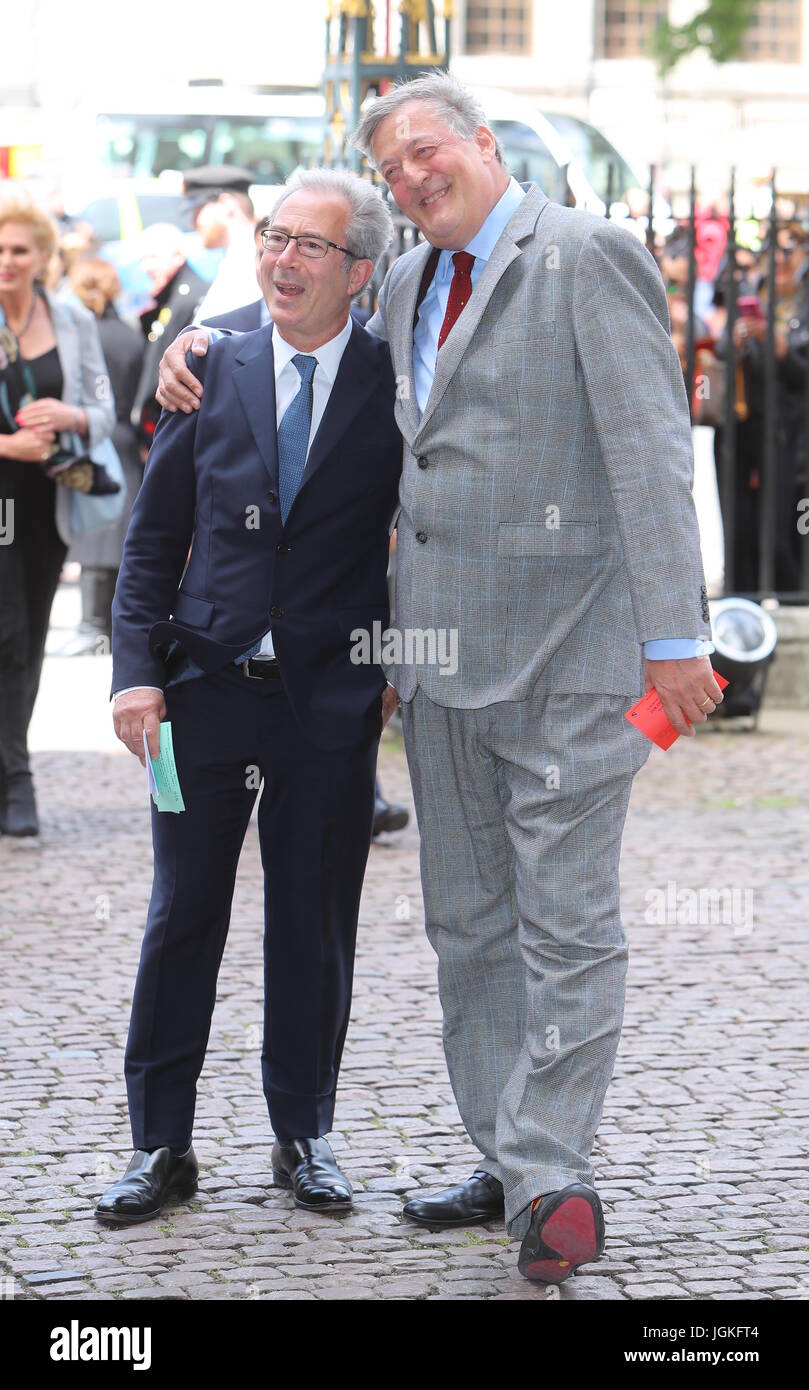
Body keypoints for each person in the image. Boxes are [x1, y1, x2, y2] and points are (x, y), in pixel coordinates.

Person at [157, 73, 725, 1285]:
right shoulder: (404, 277)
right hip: (431, 666)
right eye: (392, 168)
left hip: (574, 659)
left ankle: (552, 1172)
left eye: (427, 151)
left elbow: (645, 453)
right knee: (466, 926)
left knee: (563, 922)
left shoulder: (588, 254)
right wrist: (187, 344)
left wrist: (673, 641)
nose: (412, 177)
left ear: (480, 143)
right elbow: (289, 341)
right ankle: (505, 1153)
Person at [95, 168, 403, 1226]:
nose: (280, 259)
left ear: (358, 271)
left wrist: (395, 662)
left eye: (309, 246)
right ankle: (158, 1146)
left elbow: (422, 537)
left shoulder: (394, 378)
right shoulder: (207, 360)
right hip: (201, 694)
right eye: (273, 237)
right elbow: (148, 541)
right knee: (183, 914)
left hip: (330, 703)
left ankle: (303, 1133)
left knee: (314, 923)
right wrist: (136, 672)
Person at [0, 189, 115, 837]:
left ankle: (10, 775)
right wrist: (7, 444)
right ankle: (18, 782)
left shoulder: (72, 322)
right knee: (8, 632)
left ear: (44, 255)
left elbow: (103, 413)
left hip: (48, 500)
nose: (7, 261)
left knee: (30, 637)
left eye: (20, 249)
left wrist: (67, 415)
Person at [63, 258, 144, 653]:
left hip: (89, 433)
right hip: (125, 436)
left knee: (94, 528)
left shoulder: (78, 333)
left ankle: (92, 623)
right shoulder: (129, 336)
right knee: (121, 528)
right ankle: (108, 625)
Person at [131, 224, 210, 454]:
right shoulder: (174, 295)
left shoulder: (189, 297)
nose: (146, 267)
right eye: (144, 259)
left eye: (153, 257)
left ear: (177, 257)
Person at [186, 165, 263, 324]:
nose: (193, 223)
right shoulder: (239, 256)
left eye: (197, 210)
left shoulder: (250, 261)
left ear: (226, 204)